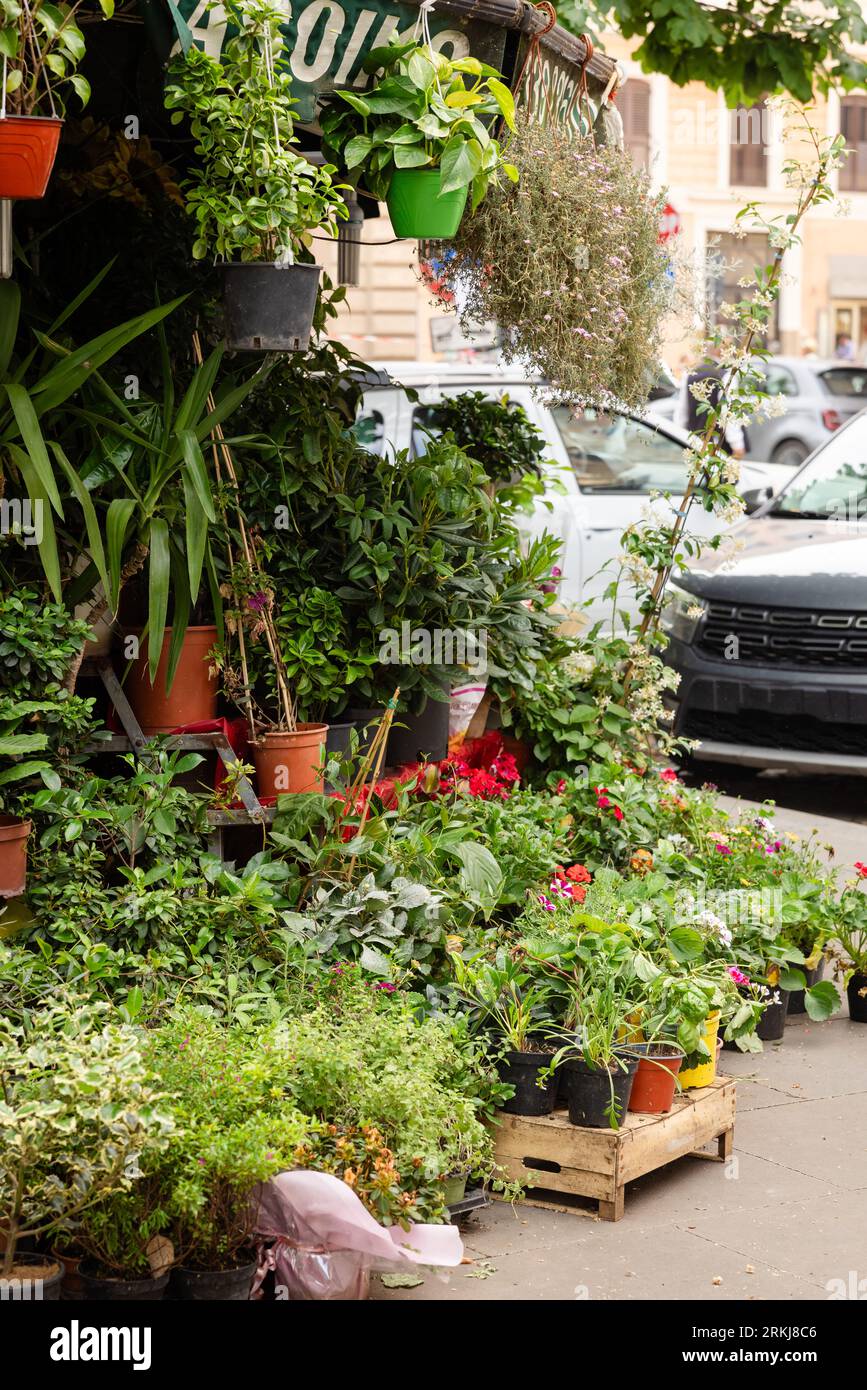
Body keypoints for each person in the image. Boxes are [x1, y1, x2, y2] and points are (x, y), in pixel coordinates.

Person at [674, 352, 746, 457]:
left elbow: (681, 414)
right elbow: (728, 413)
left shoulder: (690, 376)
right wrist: (737, 444)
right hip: (718, 448)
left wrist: (679, 438)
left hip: (694, 443)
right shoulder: (726, 376)